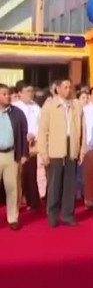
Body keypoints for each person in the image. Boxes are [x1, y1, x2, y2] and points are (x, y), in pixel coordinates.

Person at [38, 79, 85, 228]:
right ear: (57, 89)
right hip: (55, 149)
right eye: (65, 87)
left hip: (72, 147)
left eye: (70, 87)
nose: (68, 90)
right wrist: (43, 152)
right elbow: (43, 130)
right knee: (54, 184)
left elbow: (83, 129)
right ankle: (52, 214)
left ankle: (67, 214)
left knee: (70, 184)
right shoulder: (49, 106)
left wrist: (82, 150)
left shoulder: (76, 105)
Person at [0, 84, 29, 230]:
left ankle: (13, 218)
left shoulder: (17, 113)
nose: (8, 97)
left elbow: (24, 135)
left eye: (8, 94)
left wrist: (24, 153)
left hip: (11, 155)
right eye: (4, 94)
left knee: (13, 189)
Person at [12, 82, 41, 210]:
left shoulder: (36, 107)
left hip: (33, 144)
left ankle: (33, 202)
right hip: (17, 144)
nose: (30, 94)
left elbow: (41, 124)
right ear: (19, 93)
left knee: (31, 173)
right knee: (17, 175)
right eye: (27, 91)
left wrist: (33, 134)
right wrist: (24, 135)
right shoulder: (14, 107)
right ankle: (16, 202)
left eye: (32, 91)